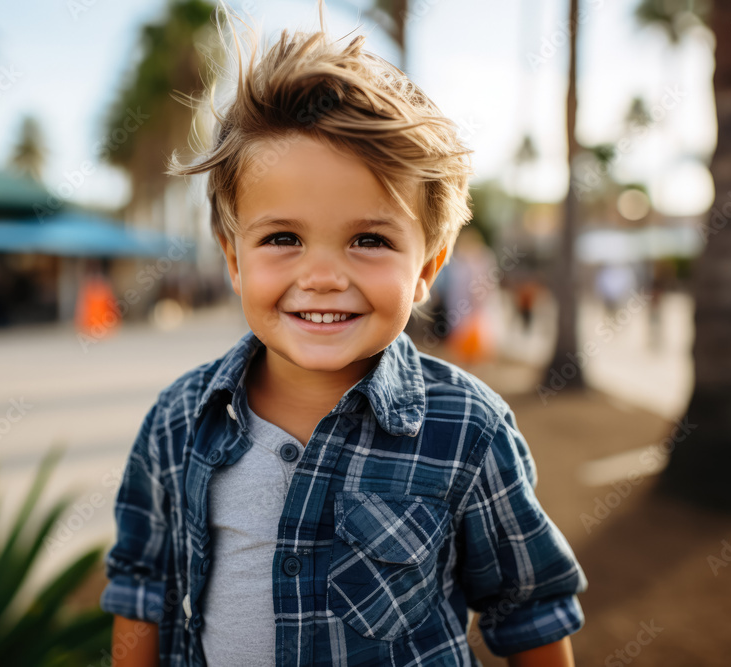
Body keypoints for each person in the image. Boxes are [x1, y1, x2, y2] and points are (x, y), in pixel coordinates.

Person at [99, 4, 587, 666]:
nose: (323, 276)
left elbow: (528, 608)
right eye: (283, 238)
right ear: (234, 258)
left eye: (369, 239)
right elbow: (141, 588)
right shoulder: (177, 422)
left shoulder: (468, 430)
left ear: (427, 268)